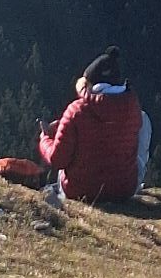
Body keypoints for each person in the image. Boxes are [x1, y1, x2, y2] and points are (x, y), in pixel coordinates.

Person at [38, 46, 152, 202]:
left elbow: (58, 159)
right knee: (143, 119)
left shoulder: (76, 111)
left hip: (80, 191)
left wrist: (45, 138)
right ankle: (135, 184)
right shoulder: (133, 108)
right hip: (123, 189)